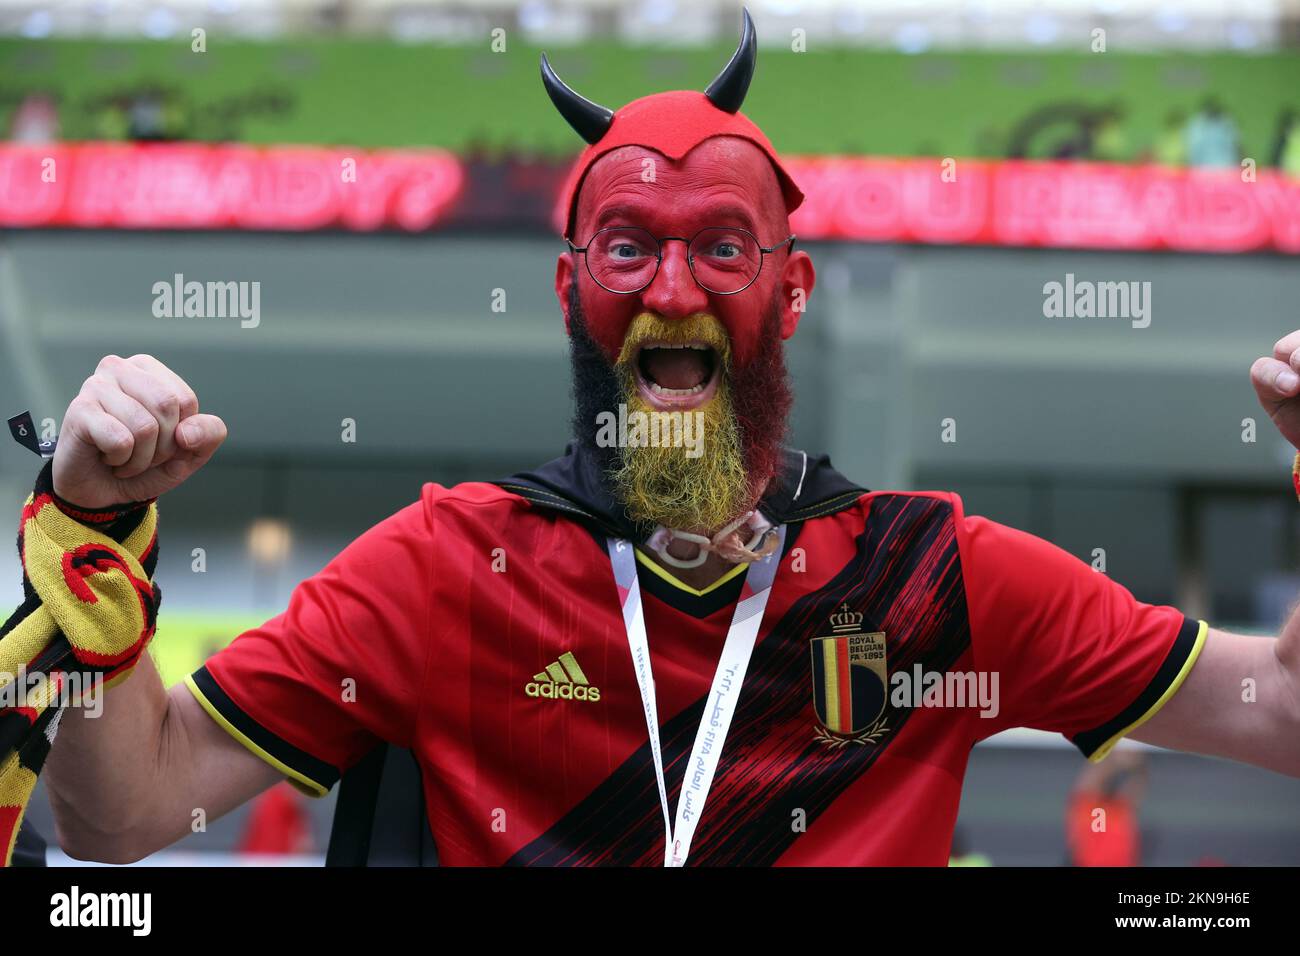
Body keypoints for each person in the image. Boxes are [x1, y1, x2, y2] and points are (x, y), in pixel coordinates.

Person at [3, 10, 1300, 868]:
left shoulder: (931, 584)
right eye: (629, 248)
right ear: (572, 289)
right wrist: (95, 541)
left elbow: (1281, 710)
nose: (671, 290)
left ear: (788, 295)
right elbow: (117, 814)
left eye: (720, 248)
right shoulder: (446, 569)